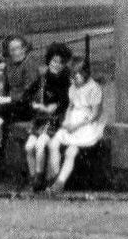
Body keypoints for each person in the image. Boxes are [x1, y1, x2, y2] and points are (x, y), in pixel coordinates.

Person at [0, 35, 42, 173]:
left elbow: (27, 94)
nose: (14, 52)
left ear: (24, 49)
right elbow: (5, 89)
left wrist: (4, 100)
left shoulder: (30, 65)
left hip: (25, 107)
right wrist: (2, 97)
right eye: (11, 49)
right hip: (11, 107)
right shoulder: (9, 65)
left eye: (17, 48)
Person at [44, 59, 105, 193]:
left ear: (85, 73)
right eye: (73, 75)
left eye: (78, 74)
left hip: (86, 125)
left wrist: (77, 125)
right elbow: (70, 106)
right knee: (53, 144)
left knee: (71, 152)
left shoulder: (94, 88)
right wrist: (66, 120)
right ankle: (54, 174)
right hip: (72, 122)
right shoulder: (73, 87)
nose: (75, 78)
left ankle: (60, 182)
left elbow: (95, 114)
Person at [23, 43, 73, 191]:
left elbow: (64, 103)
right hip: (39, 120)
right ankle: (33, 178)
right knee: (28, 147)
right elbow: (27, 95)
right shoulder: (43, 78)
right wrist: (34, 105)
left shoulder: (66, 81)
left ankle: (39, 178)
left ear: (64, 64)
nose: (56, 65)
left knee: (39, 145)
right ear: (49, 60)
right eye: (54, 61)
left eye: (61, 62)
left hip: (54, 122)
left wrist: (52, 108)